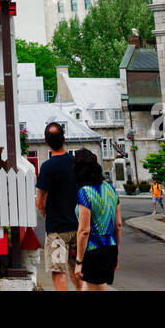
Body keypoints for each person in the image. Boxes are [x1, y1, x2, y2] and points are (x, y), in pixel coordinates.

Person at [34, 121, 81, 291]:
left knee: (58, 271)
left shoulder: (47, 167)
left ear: (46, 141)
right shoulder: (77, 163)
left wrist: (44, 209)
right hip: (79, 228)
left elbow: (40, 201)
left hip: (57, 231)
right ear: (64, 139)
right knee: (78, 269)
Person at [73, 149, 121, 291]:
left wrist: (79, 261)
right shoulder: (111, 190)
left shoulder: (85, 193)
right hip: (110, 248)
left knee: (95, 286)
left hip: (93, 251)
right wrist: (116, 251)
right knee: (94, 287)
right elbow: (118, 225)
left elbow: (84, 231)